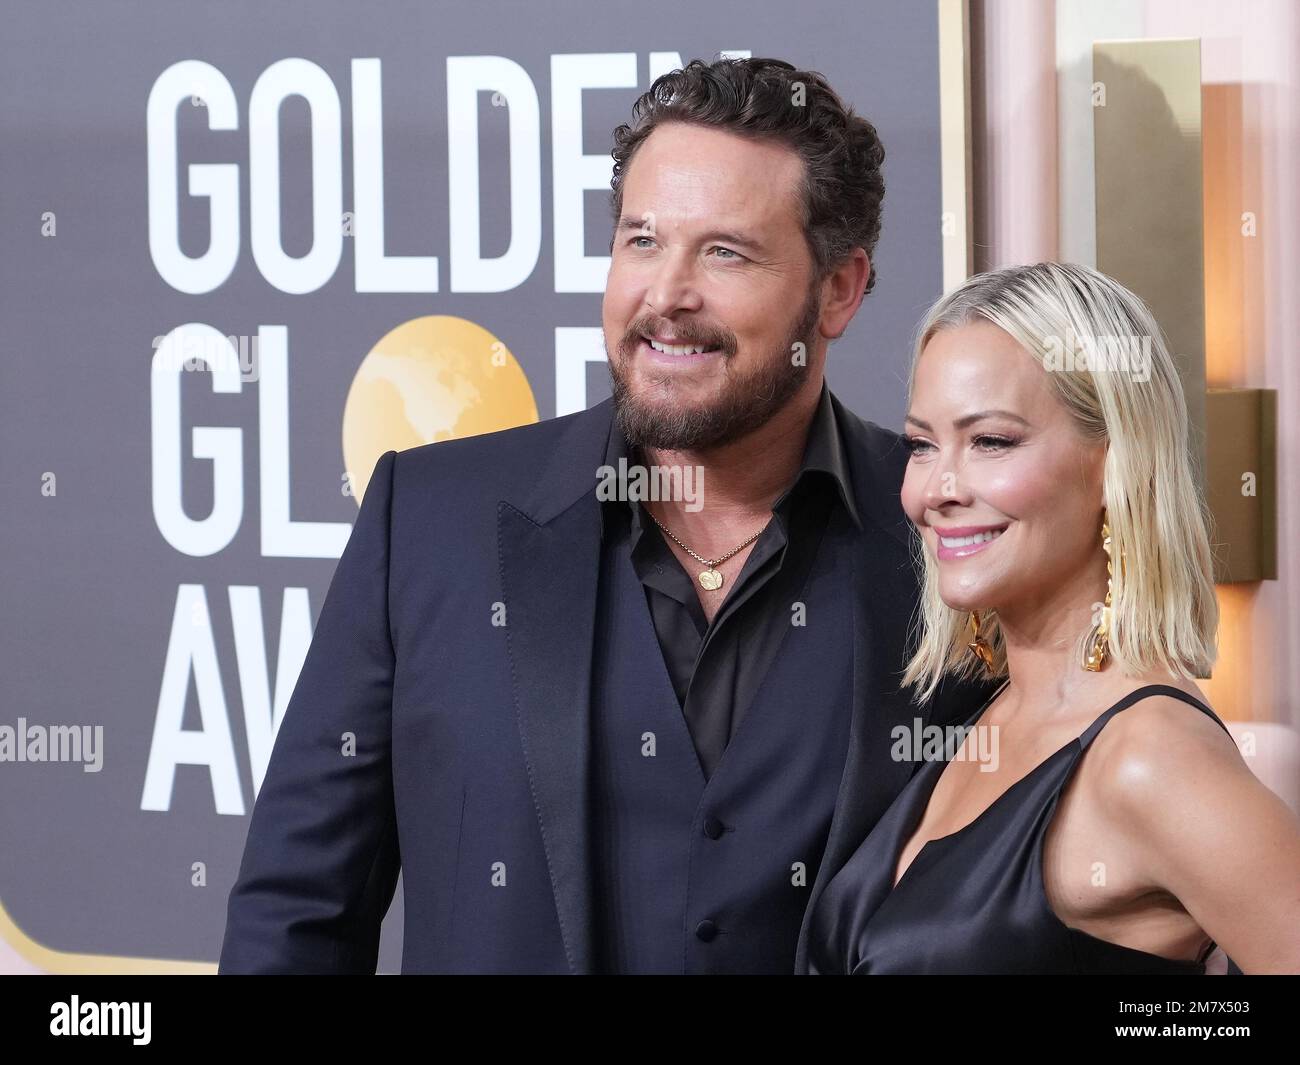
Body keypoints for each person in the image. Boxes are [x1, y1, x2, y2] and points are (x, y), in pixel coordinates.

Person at [217, 56, 989, 974]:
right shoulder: (428, 522)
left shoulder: (953, 532)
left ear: (839, 289)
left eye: (725, 252)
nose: (666, 296)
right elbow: (296, 914)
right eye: (642, 241)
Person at [802, 262, 1300, 974]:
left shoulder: (1151, 757)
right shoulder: (983, 714)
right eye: (921, 444)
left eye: (992, 441)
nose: (937, 490)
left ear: (1112, 463)